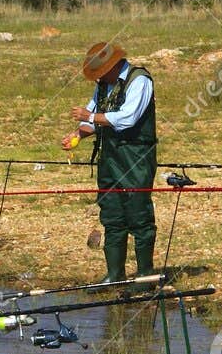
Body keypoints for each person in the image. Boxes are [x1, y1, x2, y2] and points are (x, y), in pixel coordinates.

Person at [65, 41, 157, 283]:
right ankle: (115, 275)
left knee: (139, 215)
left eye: (100, 72)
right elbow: (92, 117)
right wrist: (78, 134)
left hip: (136, 158)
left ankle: (145, 276)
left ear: (112, 65)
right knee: (112, 215)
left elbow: (127, 118)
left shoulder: (140, 81)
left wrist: (91, 117)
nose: (98, 78)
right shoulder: (103, 86)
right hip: (110, 158)